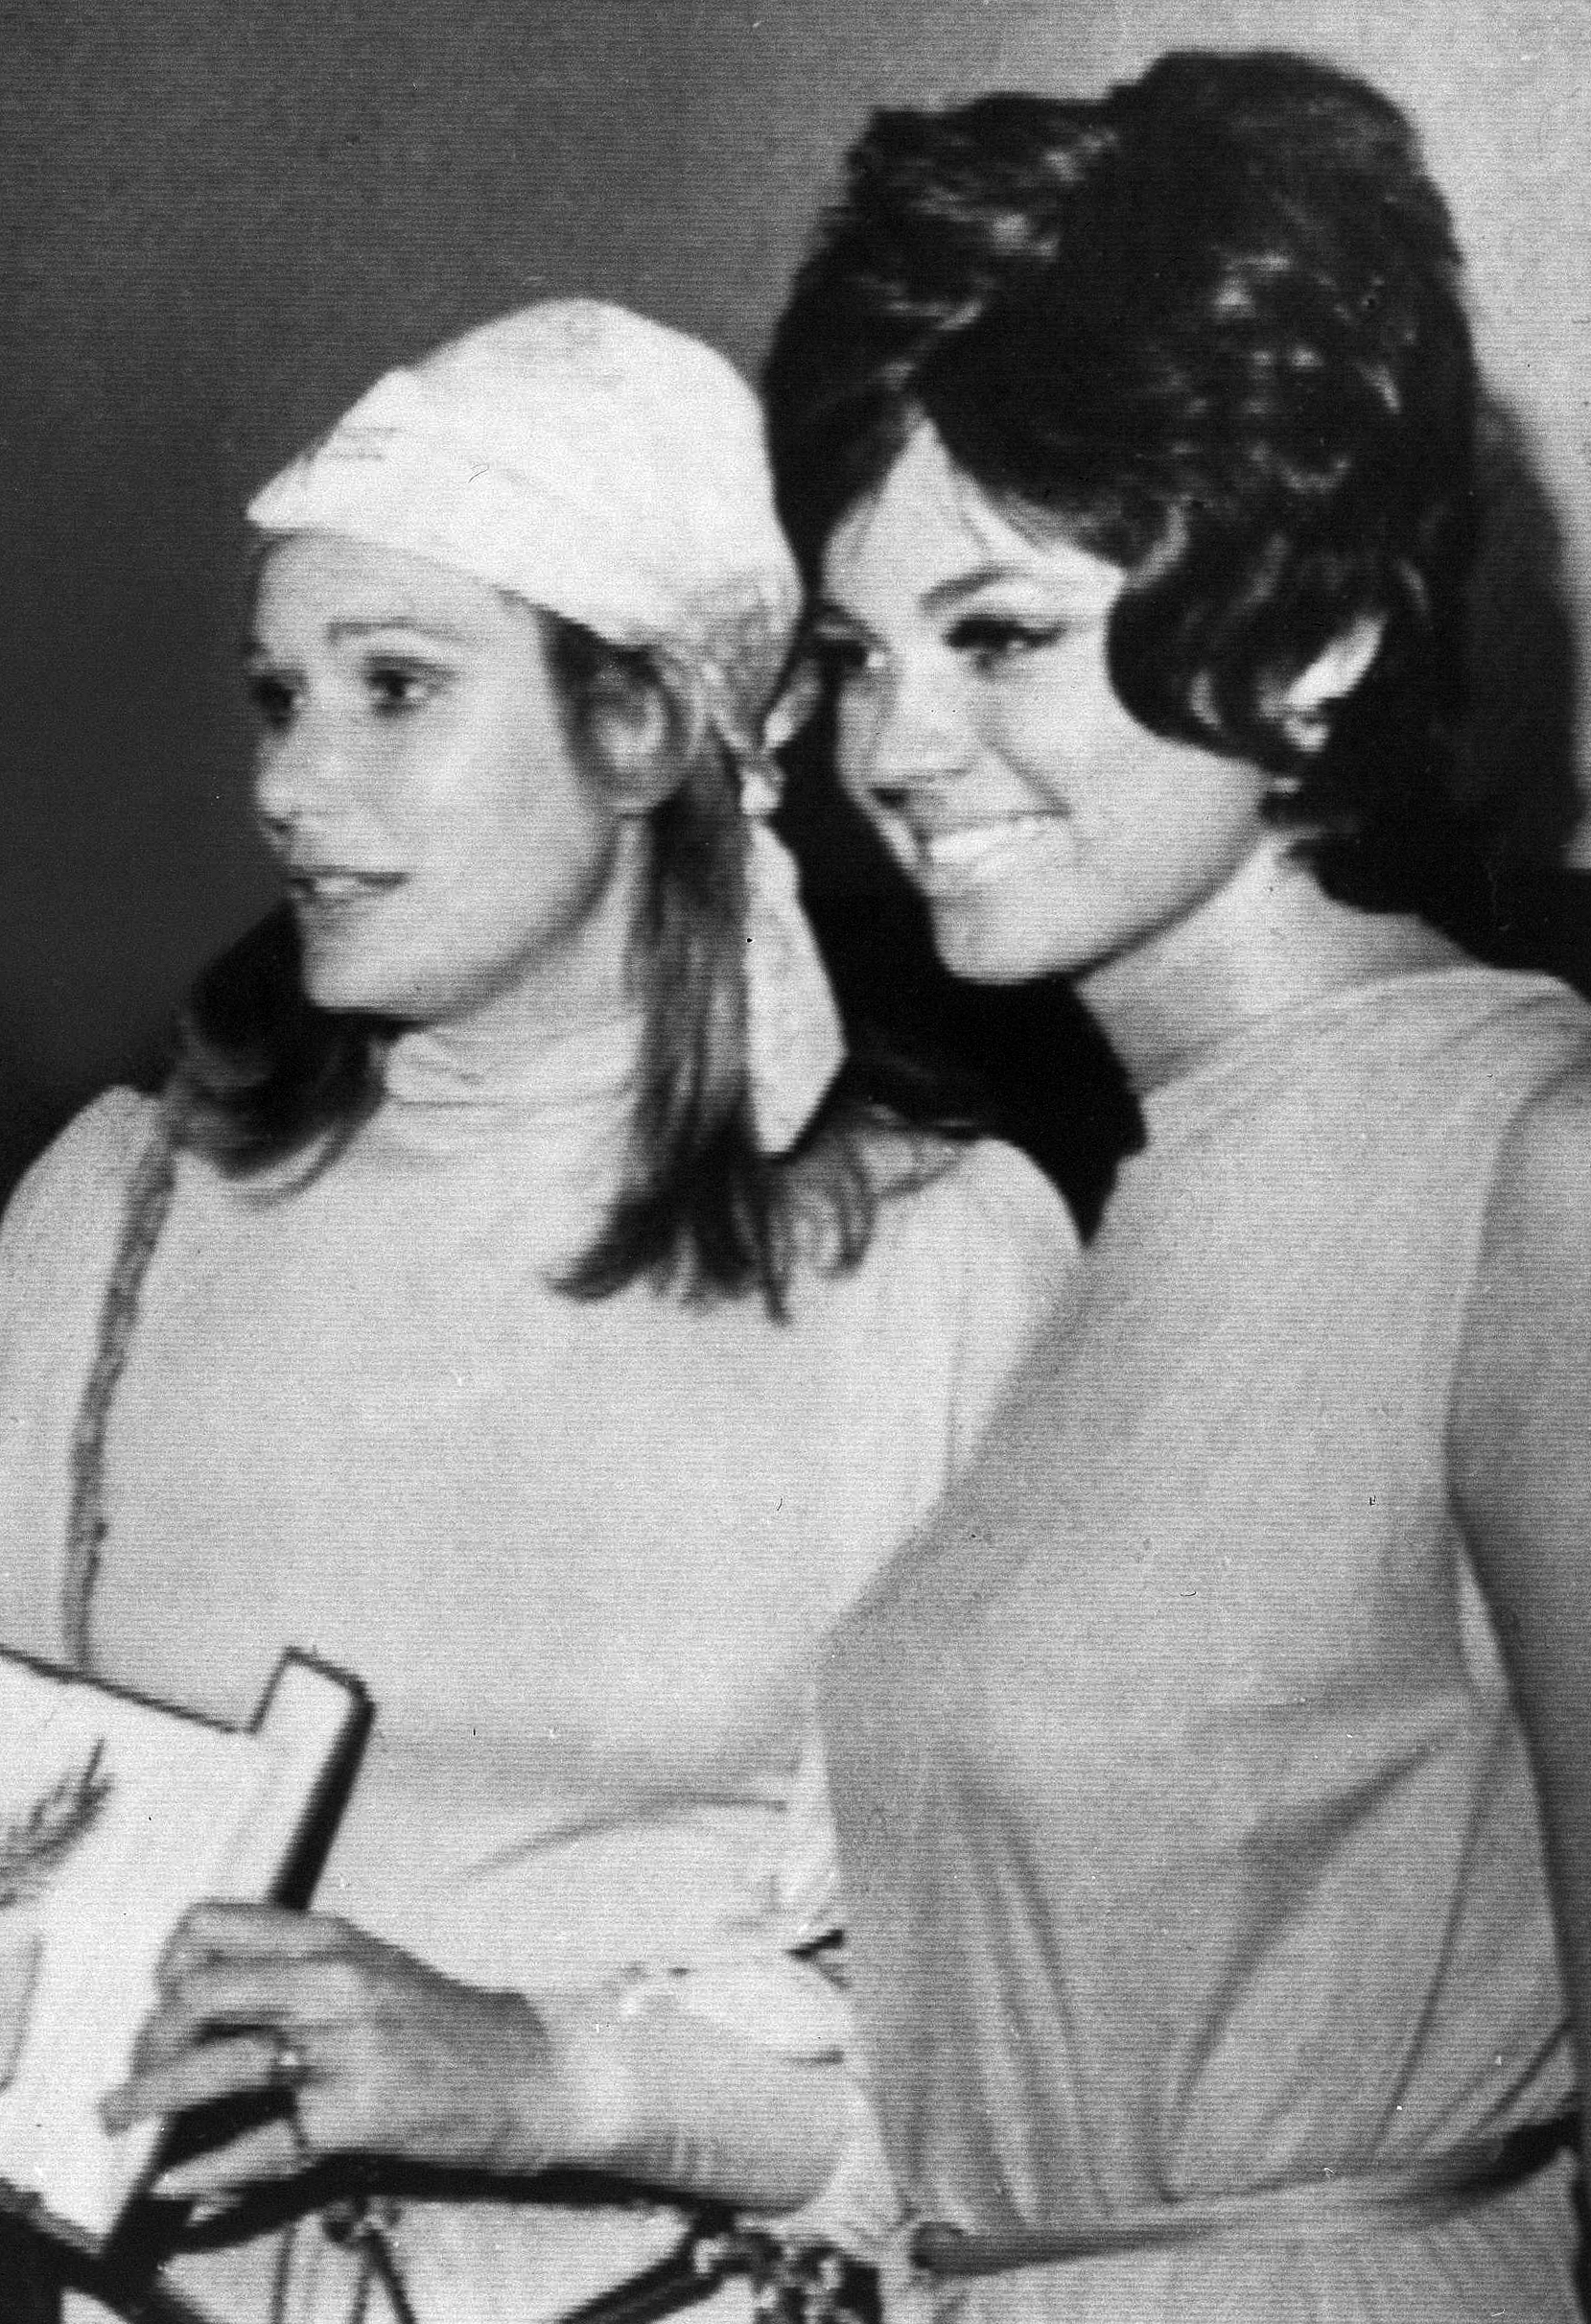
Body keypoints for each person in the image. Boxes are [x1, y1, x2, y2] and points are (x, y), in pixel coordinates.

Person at [0, 302, 1076, 2324]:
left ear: (643, 726)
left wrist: (540, 2078)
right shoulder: (115, 1212)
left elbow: (1049, 2080)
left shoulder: (937, 1262)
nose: (289, 782)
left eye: (396, 688)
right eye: (277, 697)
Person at [764, 49, 1591, 2319]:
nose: (896, 747)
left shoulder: (1533, 1176)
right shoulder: (1135, 1189)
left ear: (1314, 636)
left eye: (998, 633)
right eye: (855, 655)